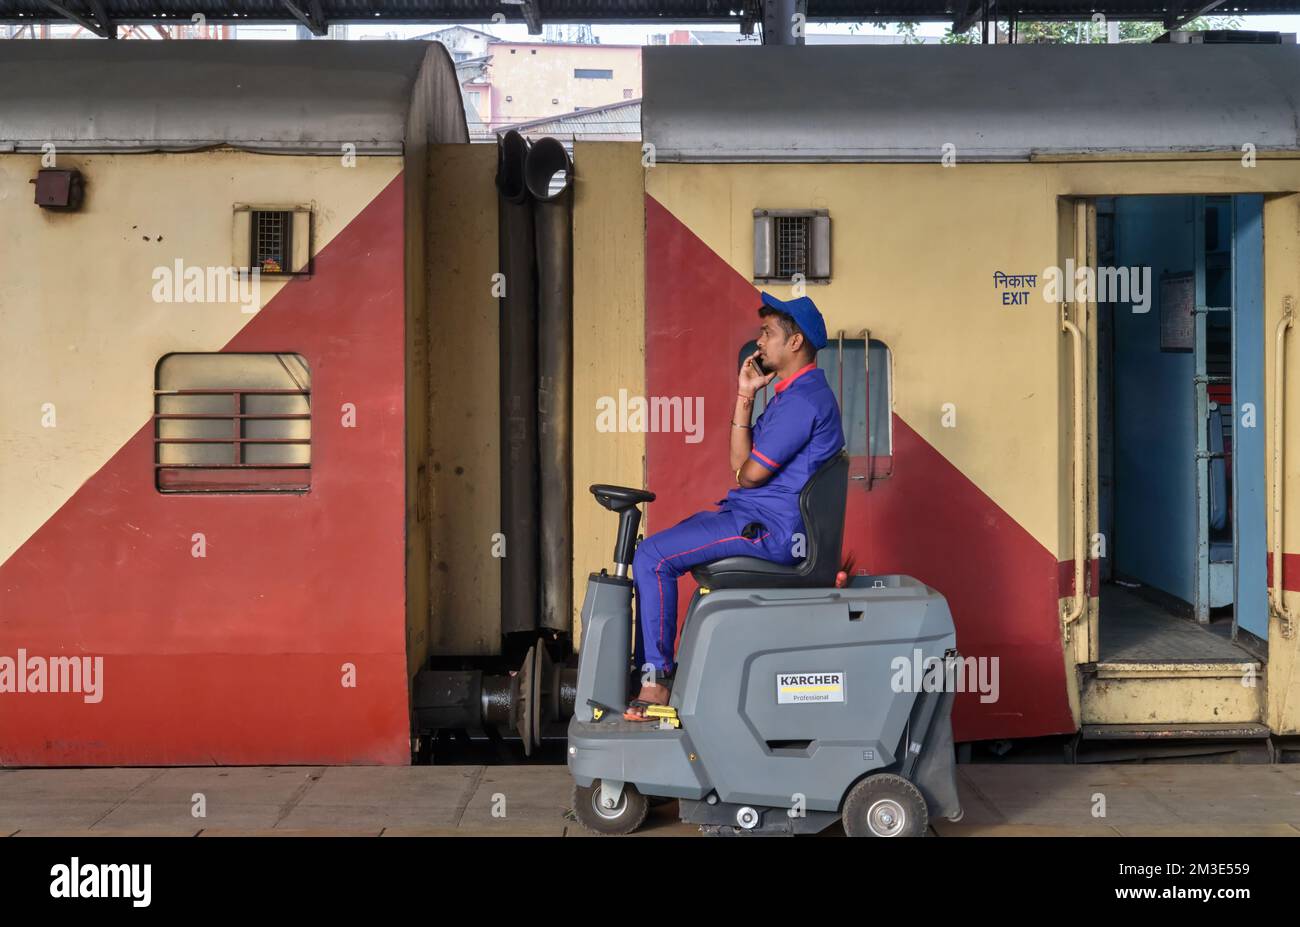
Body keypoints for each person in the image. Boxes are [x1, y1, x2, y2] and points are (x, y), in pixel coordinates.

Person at [624, 293, 845, 721]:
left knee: (652, 556)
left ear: (795, 342)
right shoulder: (790, 396)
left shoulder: (803, 400)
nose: (759, 343)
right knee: (657, 550)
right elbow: (737, 467)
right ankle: (650, 673)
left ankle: (656, 684)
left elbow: (749, 474)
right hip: (754, 518)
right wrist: (745, 395)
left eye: (768, 333)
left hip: (771, 530)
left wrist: (746, 469)